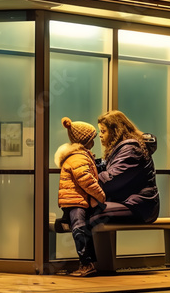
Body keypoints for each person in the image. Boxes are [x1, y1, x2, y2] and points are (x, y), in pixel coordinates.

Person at [89, 110, 160, 229]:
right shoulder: (122, 149)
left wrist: (89, 183)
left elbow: (111, 180)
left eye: (103, 131)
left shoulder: (131, 149)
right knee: (86, 211)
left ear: (115, 131)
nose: (100, 135)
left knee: (93, 215)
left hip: (140, 206)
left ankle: (84, 241)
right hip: (131, 202)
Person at [54, 117, 106, 277]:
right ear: (85, 140)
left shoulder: (79, 155)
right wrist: (101, 195)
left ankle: (87, 264)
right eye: (92, 138)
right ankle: (86, 263)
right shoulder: (78, 157)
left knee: (81, 229)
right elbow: (86, 180)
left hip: (75, 200)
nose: (94, 141)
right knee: (80, 229)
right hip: (76, 201)